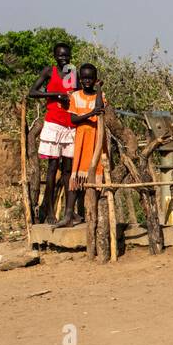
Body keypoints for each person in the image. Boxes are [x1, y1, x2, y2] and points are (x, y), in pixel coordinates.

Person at [27, 42, 77, 224]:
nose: (63, 58)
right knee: (52, 168)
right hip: (54, 124)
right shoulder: (50, 71)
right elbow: (32, 92)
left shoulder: (73, 73)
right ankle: (48, 211)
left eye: (66, 55)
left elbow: (76, 93)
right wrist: (54, 95)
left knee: (68, 170)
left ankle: (69, 212)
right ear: (55, 56)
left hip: (70, 125)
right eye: (60, 55)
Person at [62, 64, 107, 229]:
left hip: (97, 138)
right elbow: (74, 120)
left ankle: (93, 215)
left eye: (91, 78)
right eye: (84, 78)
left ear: (95, 79)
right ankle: (68, 214)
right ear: (80, 79)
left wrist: (99, 89)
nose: (87, 81)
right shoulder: (76, 96)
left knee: (96, 177)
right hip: (82, 139)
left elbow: (100, 108)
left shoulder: (99, 95)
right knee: (76, 178)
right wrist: (90, 114)